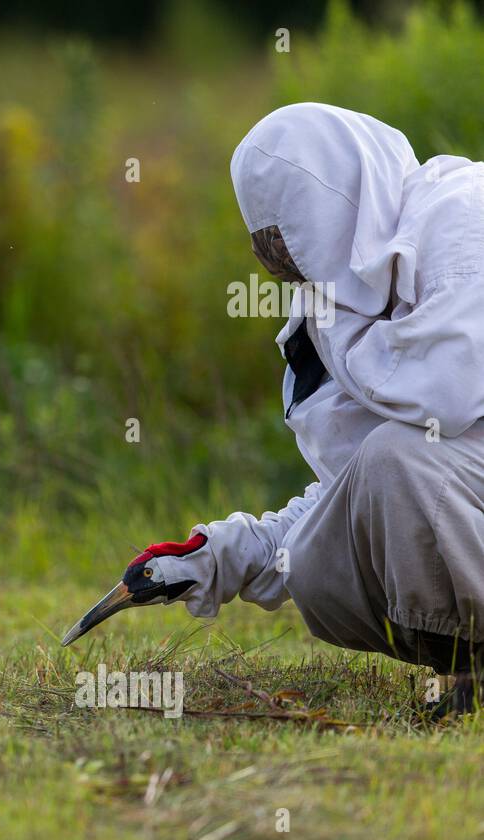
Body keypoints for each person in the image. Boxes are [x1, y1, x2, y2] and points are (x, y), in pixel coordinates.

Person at [150, 102, 484, 712]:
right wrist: (226, 552)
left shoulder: (462, 215)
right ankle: (470, 665)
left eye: (295, 241)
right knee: (311, 560)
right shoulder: (335, 315)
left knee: (395, 456)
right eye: (274, 254)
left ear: (338, 204)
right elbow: (351, 495)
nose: (295, 270)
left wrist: (343, 339)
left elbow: (445, 394)